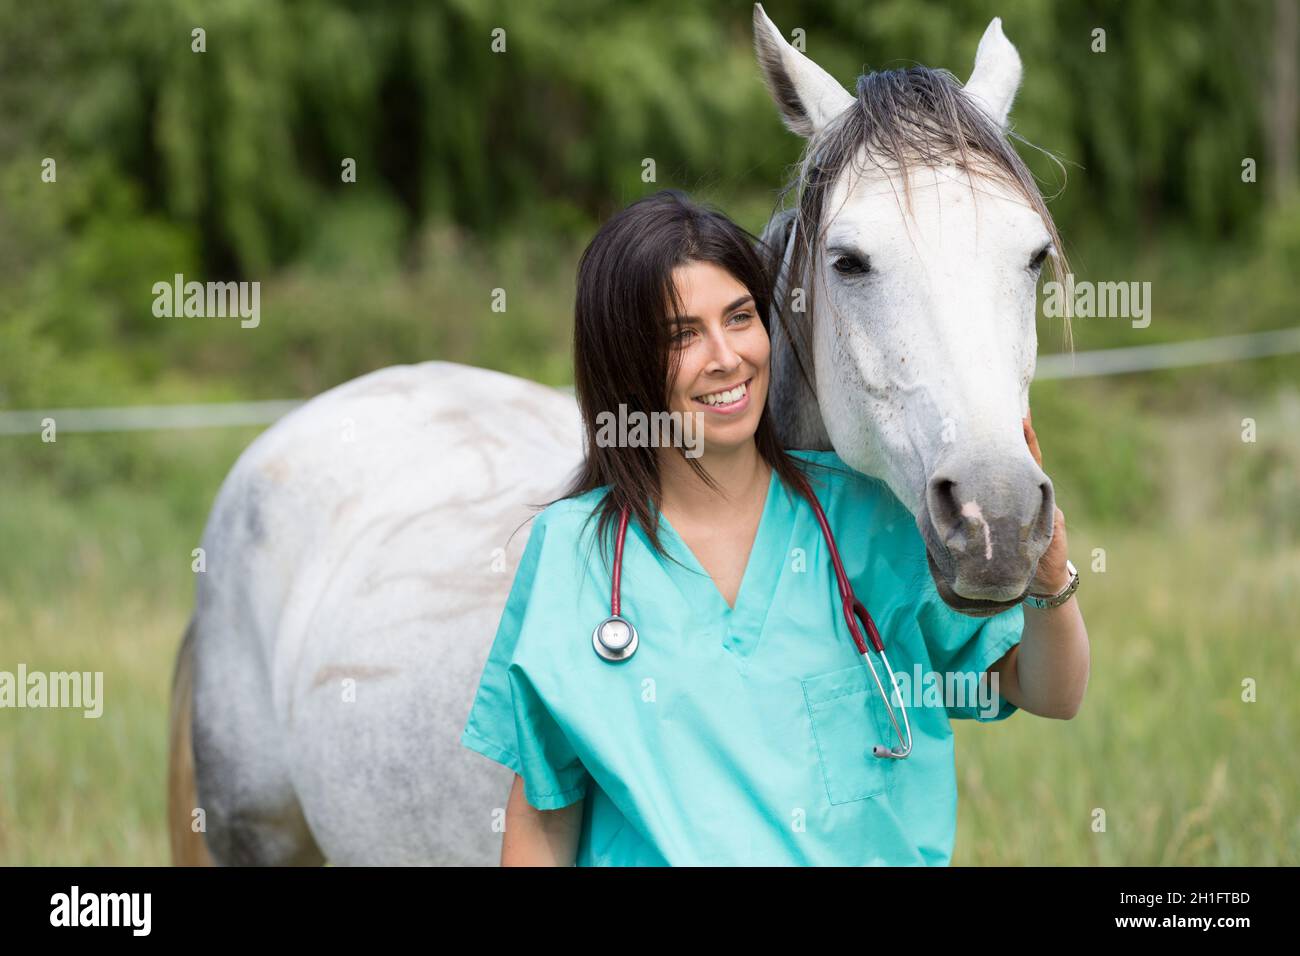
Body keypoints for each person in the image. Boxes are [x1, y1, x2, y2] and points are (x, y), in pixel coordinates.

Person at [459, 189, 1090, 866]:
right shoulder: (573, 555)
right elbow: (542, 823)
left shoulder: (869, 521)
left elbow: (1050, 692)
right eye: (681, 335)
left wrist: (1050, 577)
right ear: (625, 361)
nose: (726, 356)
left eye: (740, 318)